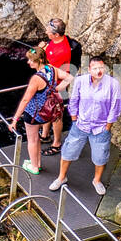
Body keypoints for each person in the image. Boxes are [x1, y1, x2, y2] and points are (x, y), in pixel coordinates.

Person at [49, 56, 121, 195]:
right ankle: (61, 177)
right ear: (89, 69)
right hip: (81, 124)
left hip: (100, 127)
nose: (98, 71)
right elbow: (74, 100)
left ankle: (97, 180)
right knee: (68, 151)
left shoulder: (113, 84)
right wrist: (74, 119)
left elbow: (115, 107)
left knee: (100, 156)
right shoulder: (81, 81)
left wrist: (108, 127)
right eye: (95, 68)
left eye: (101, 67)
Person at [7, 45, 61, 175]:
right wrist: (56, 90)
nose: (28, 62)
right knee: (37, 138)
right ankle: (37, 163)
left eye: (32, 60)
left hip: (33, 113)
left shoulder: (36, 79)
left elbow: (25, 100)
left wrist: (14, 120)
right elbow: (69, 78)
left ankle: (34, 167)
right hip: (46, 112)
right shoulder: (52, 69)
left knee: (32, 140)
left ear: (40, 60)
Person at [39, 20, 72, 155]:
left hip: (57, 86)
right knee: (47, 110)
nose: (46, 32)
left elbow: (47, 67)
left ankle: (57, 143)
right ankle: (45, 135)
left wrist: (40, 50)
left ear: (56, 34)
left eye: (49, 31)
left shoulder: (62, 51)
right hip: (49, 83)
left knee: (56, 116)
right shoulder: (55, 41)